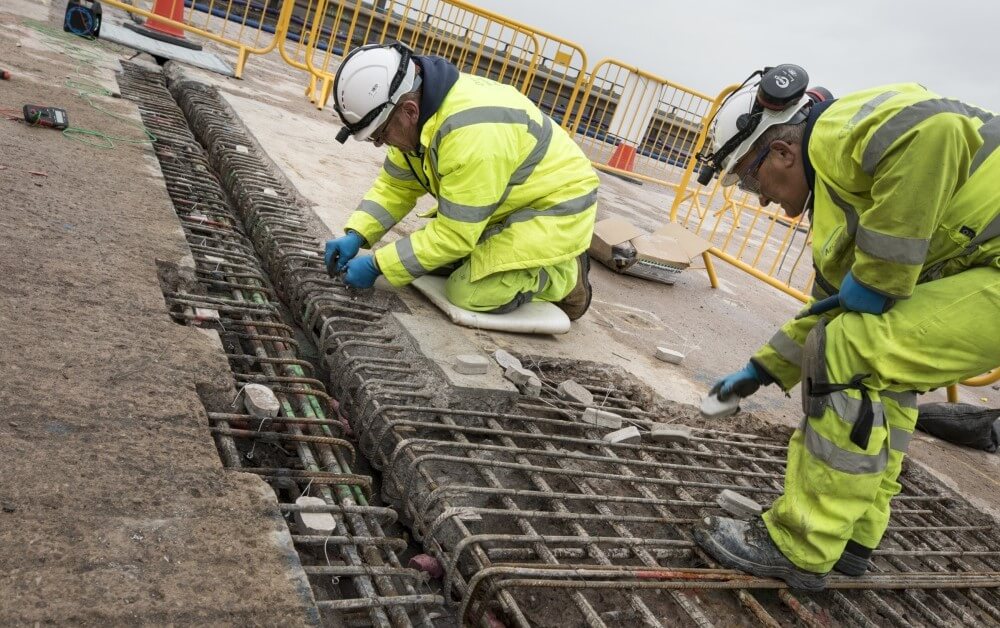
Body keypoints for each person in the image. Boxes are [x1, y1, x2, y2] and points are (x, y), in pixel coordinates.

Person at [691, 64, 1000, 591]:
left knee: (849, 351)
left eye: (749, 177)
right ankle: (853, 535)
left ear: (783, 153)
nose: (759, 197)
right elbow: (827, 316)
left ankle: (800, 545)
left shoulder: (837, 133)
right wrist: (760, 369)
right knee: (882, 368)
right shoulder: (837, 204)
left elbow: (938, 130)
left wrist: (880, 276)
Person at [323, 42, 599, 320]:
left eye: (380, 135)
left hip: (554, 210)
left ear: (409, 111)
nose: (378, 144)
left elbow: (454, 235)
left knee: (468, 291)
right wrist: (356, 235)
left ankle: (564, 275)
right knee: (421, 262)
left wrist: (376, 265)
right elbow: (396, 187)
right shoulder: (415, 115)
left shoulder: (471, 133)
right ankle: (498, 251)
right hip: (508, 204)